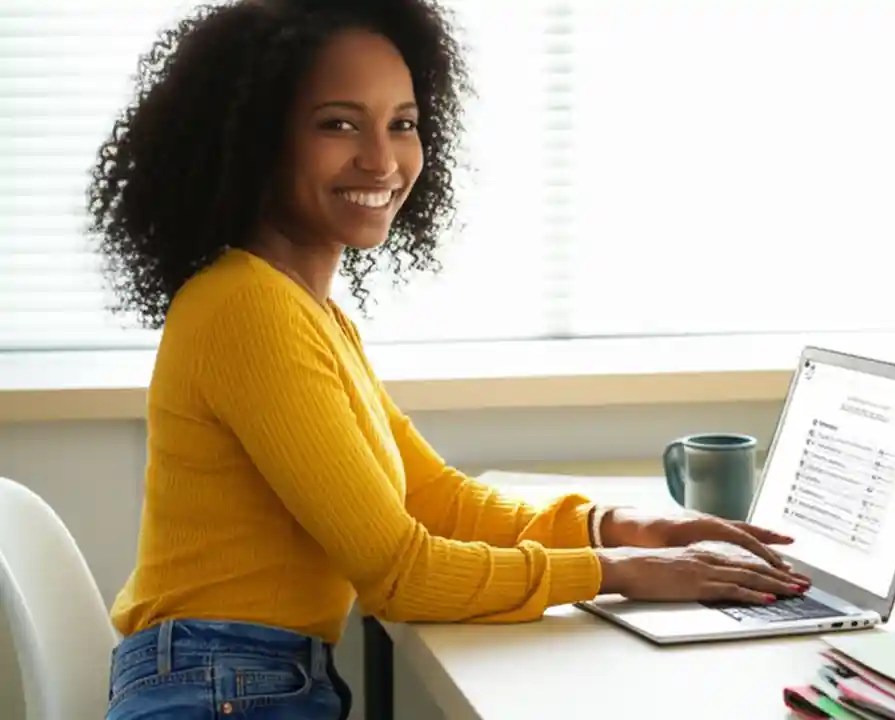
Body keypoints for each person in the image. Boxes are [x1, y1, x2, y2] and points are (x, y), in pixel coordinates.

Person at [85, 0, 809, 717]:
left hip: (240, 682)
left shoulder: (307, 312)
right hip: (215, 692)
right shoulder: (247, 310)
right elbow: (400, 574)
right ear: (254, 139)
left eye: (402, 123)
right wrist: (616, 572)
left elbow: (436, 501)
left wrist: (623, 527)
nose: (382, 158)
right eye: (338, 124)